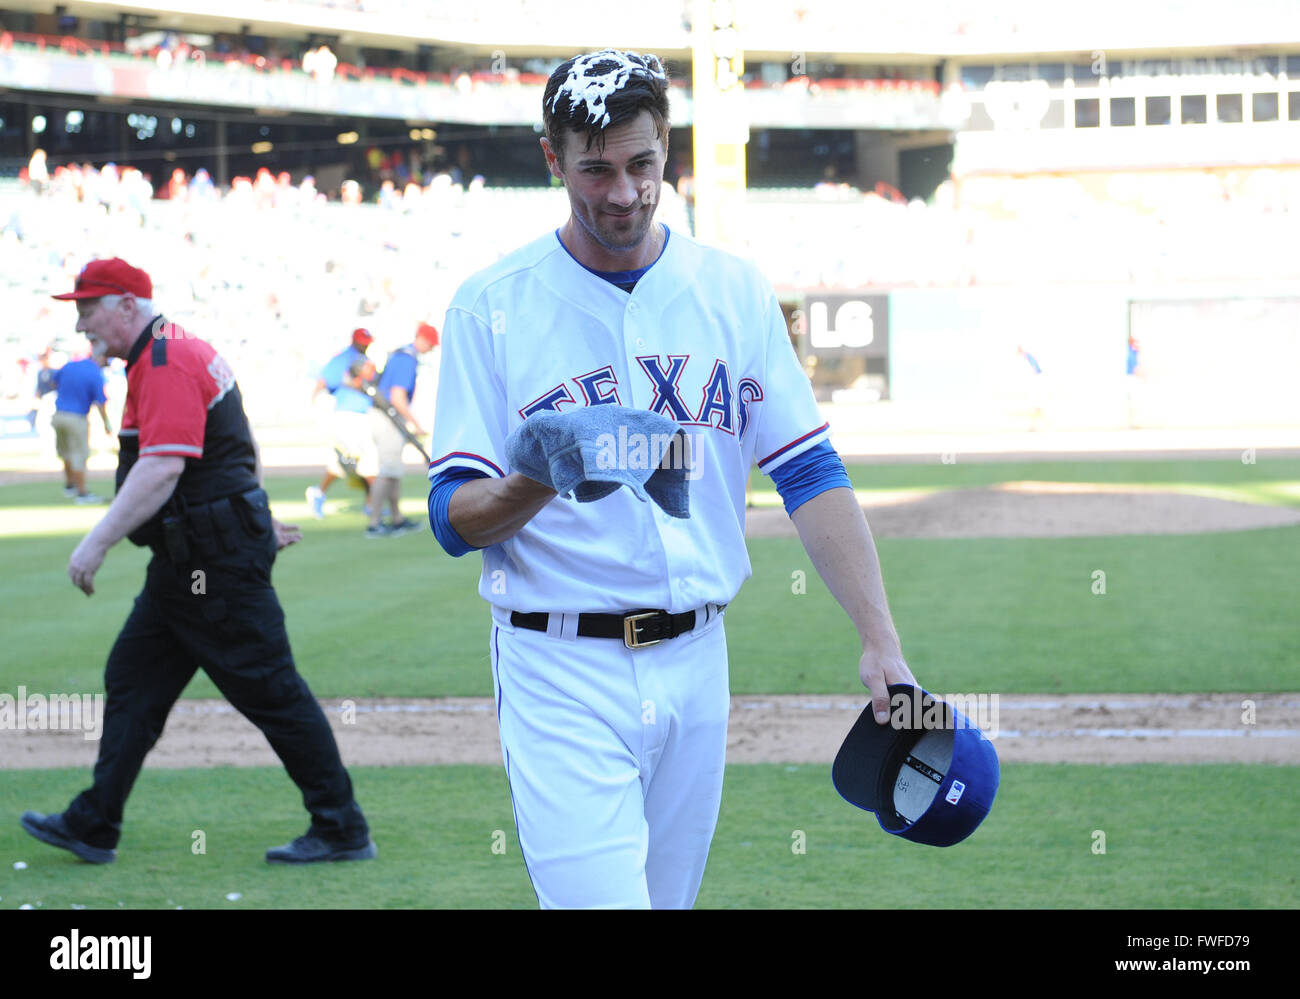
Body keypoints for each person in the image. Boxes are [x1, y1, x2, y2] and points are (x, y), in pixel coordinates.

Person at [426, 50, 916, 909]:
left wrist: (882, 639)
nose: (623, 192)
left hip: (698, 658)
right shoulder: (490, 304)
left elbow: (808, 469)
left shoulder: (732, 291)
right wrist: (541, 476)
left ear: (667, 150)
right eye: (595, 168)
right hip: (560, 666)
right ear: (552, 159)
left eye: (642, 163)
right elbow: (449, 517)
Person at [20, 258, 375, 866]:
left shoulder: (164, 359)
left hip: (210, 562)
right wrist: (258, 512)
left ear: (126, 305)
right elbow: (240, 443)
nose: (81, 325)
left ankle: (342, 828)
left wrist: (96, 542)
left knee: (272, 691)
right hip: (193, 561)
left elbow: (163, 466)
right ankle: (94, 823)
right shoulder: (173, 349)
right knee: (134, 679)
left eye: (88, 309)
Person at [365, 322, 436, 538]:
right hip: (388, 417)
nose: (431, 349)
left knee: (393, 471)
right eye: (431, 344)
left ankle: (397, 519)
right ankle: (374, 523)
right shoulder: (407, 358)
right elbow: (397, 397)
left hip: (386, 416)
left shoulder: (401, 354)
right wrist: (416, 424)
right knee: (387, 471)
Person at [307, 328, 378, 519]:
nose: (365, 345)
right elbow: (323, 381)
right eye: (362, 342)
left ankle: (370, 504)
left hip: (361, 414)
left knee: (348, 462)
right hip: (348, 415)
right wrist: (314, 404)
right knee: (364, 461)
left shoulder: (364, 359)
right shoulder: (343, 358)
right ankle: (372, 506)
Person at [41, 349, 112, 503]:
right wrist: (107, 424)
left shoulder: (70, 365)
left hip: (58, 415)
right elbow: (101, 403)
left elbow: (54, 382)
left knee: (65, 452)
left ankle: (70, 486)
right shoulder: (95, 374)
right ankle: (82, 493)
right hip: (77, 417)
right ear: (101, 358)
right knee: (79, 455)